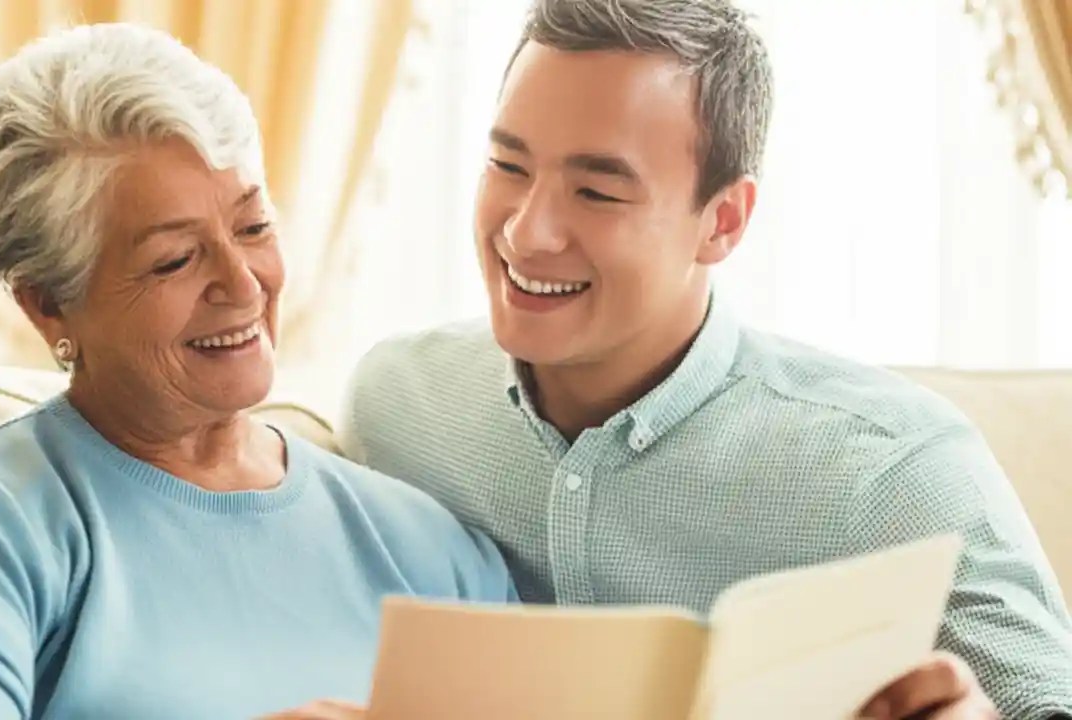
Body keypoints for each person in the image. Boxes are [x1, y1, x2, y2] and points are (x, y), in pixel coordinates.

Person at [338, 0, 1072, 718]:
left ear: (723, 221)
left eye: (596, 191)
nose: (528, 234)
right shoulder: (397, 407)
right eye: (508, 164)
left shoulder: (891, 467)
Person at [0, 23, 514, 719]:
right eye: (174, 260)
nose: (244, 287)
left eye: (254, 228)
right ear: (48, 305)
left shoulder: (430, 549)